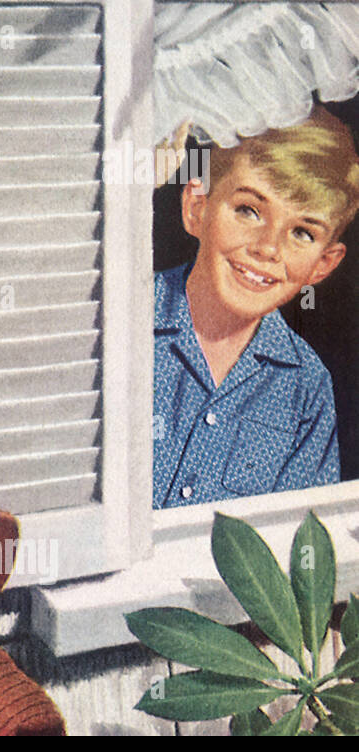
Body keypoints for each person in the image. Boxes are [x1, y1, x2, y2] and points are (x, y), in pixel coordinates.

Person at [153, 106, 359, 509]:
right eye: (249, 210)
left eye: (302, 232)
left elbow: (297, 538)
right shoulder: (118, 324)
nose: (268, 247)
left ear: (324, 264)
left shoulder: (306, 387)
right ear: (197, 207)